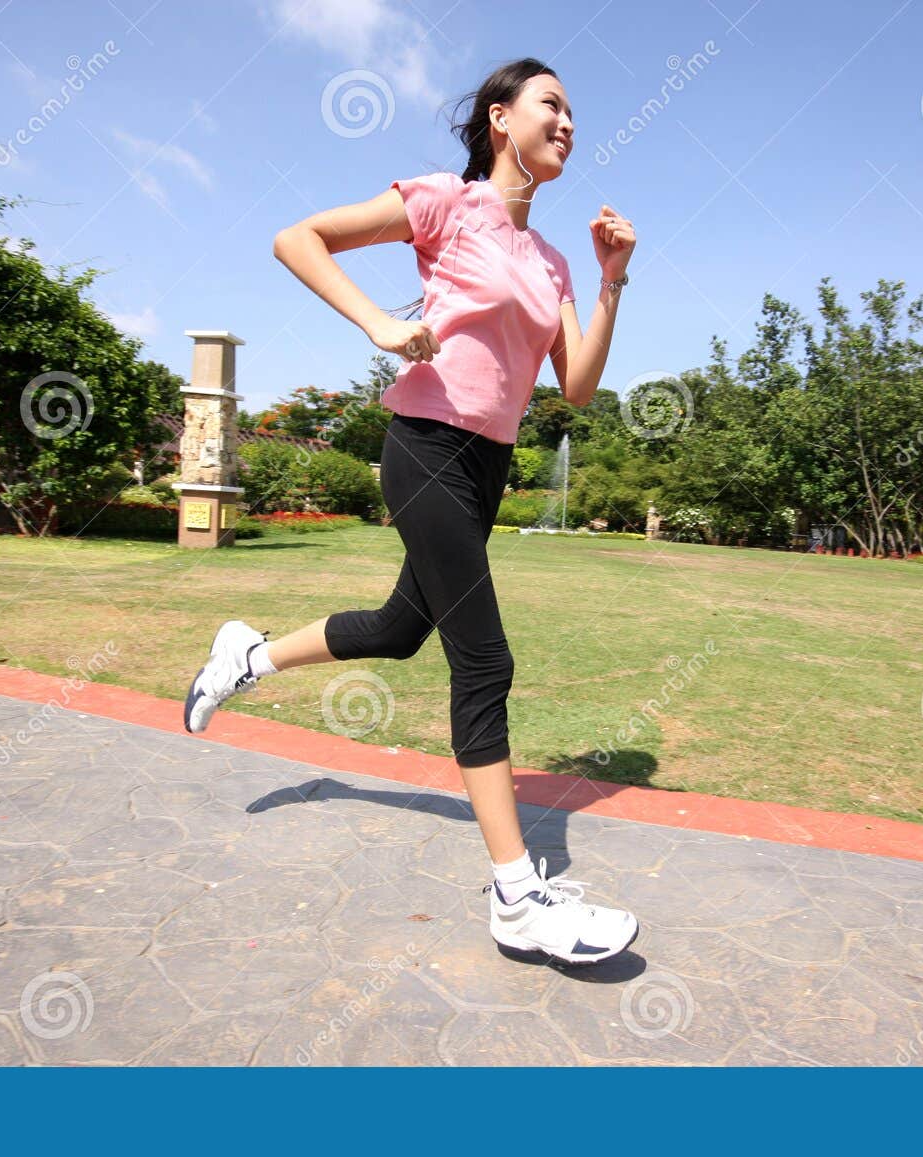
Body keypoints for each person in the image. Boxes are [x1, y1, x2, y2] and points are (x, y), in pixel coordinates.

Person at [184, 58, 638, 966]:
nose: (569, 123)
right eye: (553, 105)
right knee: (485, 657)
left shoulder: (551, 261)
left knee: (399, 628)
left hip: (490, 465)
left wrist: (612, 277)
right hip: (426, 446)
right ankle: (517, 898)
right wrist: (379, 326)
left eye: (575, 112)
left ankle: (248, 654)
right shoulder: (444, 202)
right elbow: (297, 237)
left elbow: (578, 391)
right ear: (501, 119)